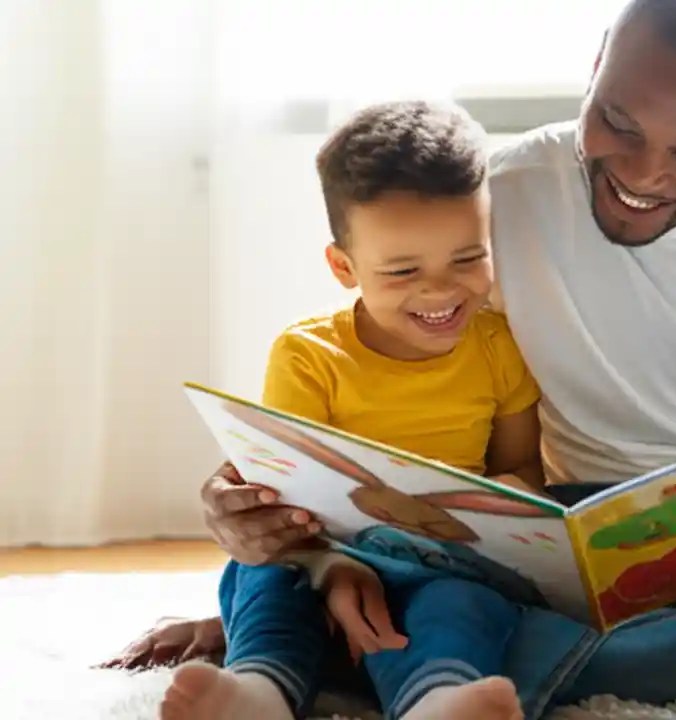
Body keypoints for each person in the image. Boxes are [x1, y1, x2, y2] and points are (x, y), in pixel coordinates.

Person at [105, 0, 676, 717]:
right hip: (566, 544)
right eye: (620, 124)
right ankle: (403, 648)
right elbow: (377, 375)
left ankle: (442, 661)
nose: (640, 173)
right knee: (437, 558)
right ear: (594, 69)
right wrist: (267, 531)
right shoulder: (501, 200)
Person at [157, 101, 542, 720]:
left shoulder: (498, 346)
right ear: (344, 267)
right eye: (402, 270)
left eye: (467, 259)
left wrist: (491, 513)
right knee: (261, 578)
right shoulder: (309, 356)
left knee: (465, 604)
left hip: (447, 560)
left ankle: (437, 701)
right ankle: (258, 693)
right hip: (320, 555)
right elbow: (279, 504)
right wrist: (330, 566)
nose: (441, 290)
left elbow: (523, 469)